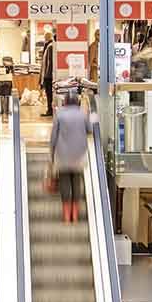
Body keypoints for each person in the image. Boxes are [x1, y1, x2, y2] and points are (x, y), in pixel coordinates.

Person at [50, 90, 88, 224]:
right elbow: (89, 129)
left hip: (62, 154)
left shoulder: (59, 114)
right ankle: (75, 215)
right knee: (77, 182)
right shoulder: (83, 114)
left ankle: (66, 216)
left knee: (65, 182)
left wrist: (52, 154)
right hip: (79, 155)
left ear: (65, 101)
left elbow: (54, 136)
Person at [40, 29, 55, 117]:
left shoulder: (50, 46)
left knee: (49, 94)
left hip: (48, 75)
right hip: (47, 74)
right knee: (48, 94)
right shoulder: (48, 46)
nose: (44, 38)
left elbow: (49, 62)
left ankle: (50, 110)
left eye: (46, 36)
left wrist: (46, 75)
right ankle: (49, 109)